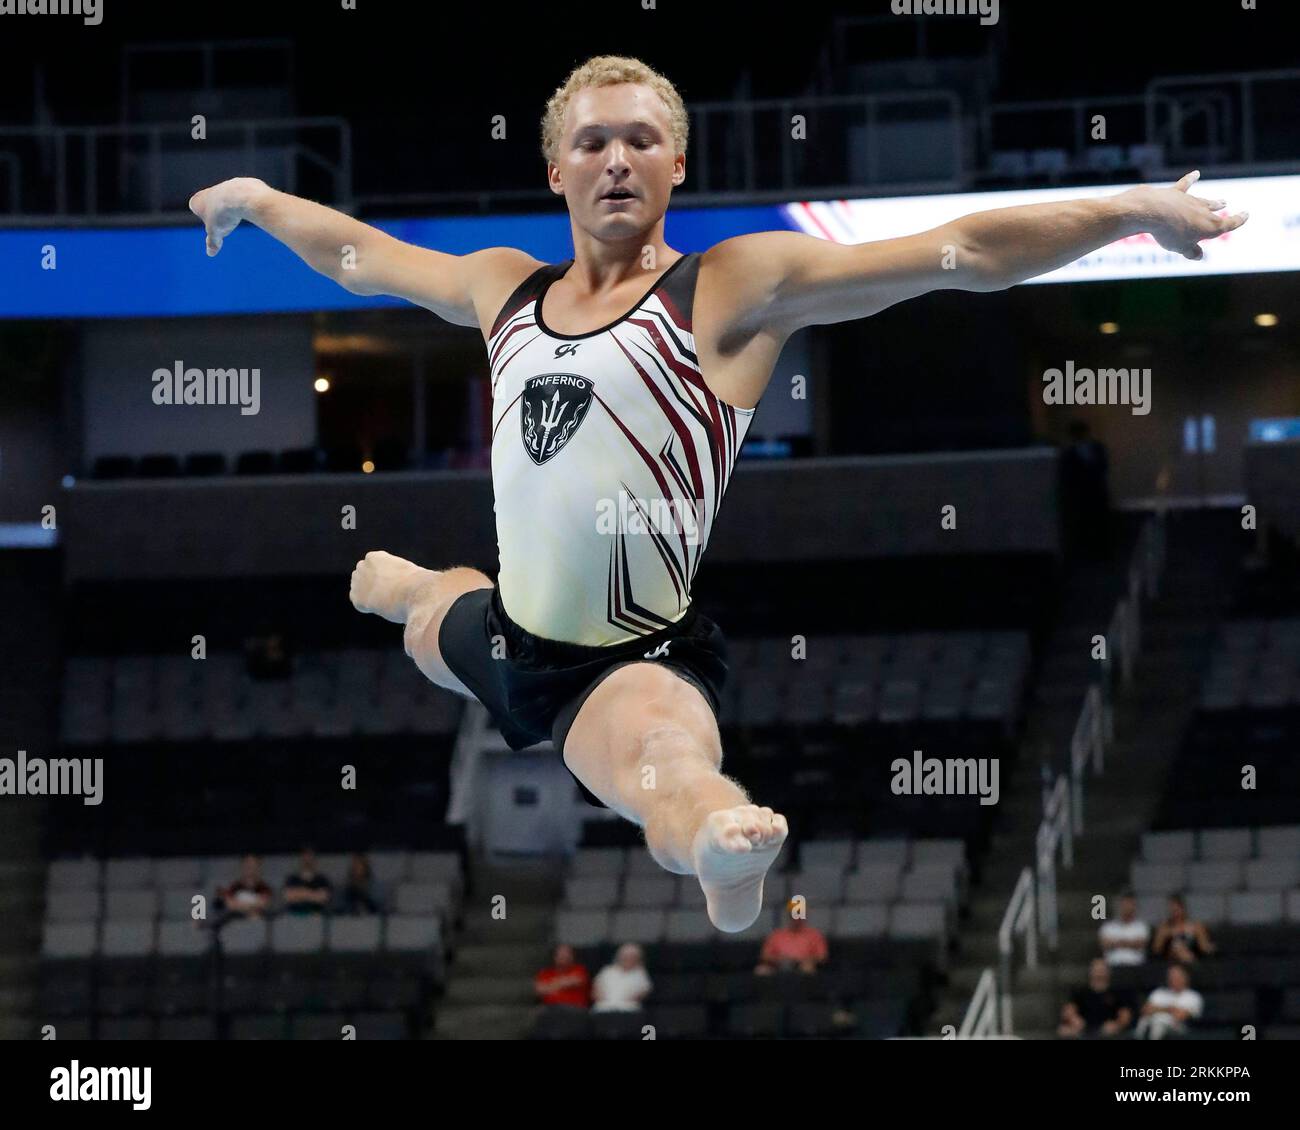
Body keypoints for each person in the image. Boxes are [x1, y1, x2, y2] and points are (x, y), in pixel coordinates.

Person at [189, 55, 1245, 934]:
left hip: (627, 653)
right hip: (510, 630)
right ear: (555, 166)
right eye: (594, 141)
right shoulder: (499, 286)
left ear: (676, 164)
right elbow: (360, 257)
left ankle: (719, 849)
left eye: (642, 140)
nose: (616, 159)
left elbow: (957, 253)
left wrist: (1132, 207)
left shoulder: (728, 286)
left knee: (664, 761)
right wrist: (256, 200)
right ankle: (419, 587)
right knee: (427, 613)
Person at [1057, 958, 1134, 1038]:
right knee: (1063, 1031)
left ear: (1109, 972)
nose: (1099, 973)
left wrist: (1117, 1024)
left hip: (1107, 1030)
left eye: (1102, 969)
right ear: (1090, 971)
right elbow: (1068, 1011)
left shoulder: (1118, 992)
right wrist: (1074, 1020)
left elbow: (1125, 1015)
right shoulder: (1080, 992)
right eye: (1096, 969)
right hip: (1085, 1030)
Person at [1135, 964, 1203, 1040]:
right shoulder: (1158, 992)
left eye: (1176, 976)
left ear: (1185, 978)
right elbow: (1145, 1010)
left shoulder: (1193, 996)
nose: (1173, 978)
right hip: (1151, 1023)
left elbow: (1180, 1016)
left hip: (1179, 1027)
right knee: (1144, 1020)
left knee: (1159, 1022)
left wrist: (1156, 1009)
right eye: (1171, 976)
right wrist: (1169, 1009)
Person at [755, 905, 829, 975]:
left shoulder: (815, 935)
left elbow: (822, 957)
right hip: (778, 967)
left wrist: (804, 960)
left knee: (807, 969)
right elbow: (765, 956)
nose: (797, 918)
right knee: (761, 970)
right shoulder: (776, 935)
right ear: (789, 916)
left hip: (802, 966)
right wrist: (779, 959)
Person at [1151, 894, 1216, 964]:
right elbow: (1156, 949)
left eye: (1177, 909)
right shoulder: (1164, 928)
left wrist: (1210, 947)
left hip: (1192, 957)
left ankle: (1190, 964)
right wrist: (1167, 934)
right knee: (1178, 948)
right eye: (1173, 910)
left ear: (1183, 909)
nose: (1176, 913)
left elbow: (1204, 947)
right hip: (1170, 962)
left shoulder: (1196, 926)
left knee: (1182, 950)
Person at [591, 944, 652, 1012]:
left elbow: (645, 991)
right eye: (625, 956)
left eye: (632, 957)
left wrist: (633, 998)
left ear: (637, 959)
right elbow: (595, 989)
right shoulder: (607, 970)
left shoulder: (641, 973)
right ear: (619, 957)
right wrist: (600, 997)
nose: (628, 959)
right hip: (604, 1005)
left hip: (629, 1007)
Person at [1099, 891, 1150, 967]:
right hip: (1113, 966)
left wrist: (1116, 942)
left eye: (1130, 904)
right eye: (1125, 903)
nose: (1127, 907)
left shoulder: (1141, 926)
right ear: (1120, 905)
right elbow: (1105, 944)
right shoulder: (1108, 926)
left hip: (1135, 967)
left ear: (1134, 906)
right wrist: (1130, 943)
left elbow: (1140, 943)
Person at [533, 944, 592, 1009]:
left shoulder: (580, 969)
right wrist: (563, 983)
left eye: (567, 954)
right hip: (551, 1009)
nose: (564, 957)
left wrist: (550, 986)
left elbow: (576, 981)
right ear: (555, 957)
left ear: (572, 956)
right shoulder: (545, 973)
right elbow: (539, 990)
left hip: (575, 1009)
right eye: (561, 954)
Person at [218, 854, 273, 920]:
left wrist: (239, 905)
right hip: (236, 920)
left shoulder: (264, 887)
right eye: (248, 865)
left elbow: (263, 903)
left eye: (254, 865)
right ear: (243, 866)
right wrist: (253, 906)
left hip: (257, 920)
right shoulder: (234, 887)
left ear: (259, 867)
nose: (250, 869)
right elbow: (230, 905)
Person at [282, 847, 333, 914]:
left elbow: (323, 897)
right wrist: (313, 894)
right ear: (301, 859)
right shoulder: (292, 879)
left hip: (316, 915)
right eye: (305, 857)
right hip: (295, 916)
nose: (307, 860)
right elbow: (288, 896)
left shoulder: (322, 879)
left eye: (310, 857)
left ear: (314, 860)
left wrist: (300, 893)